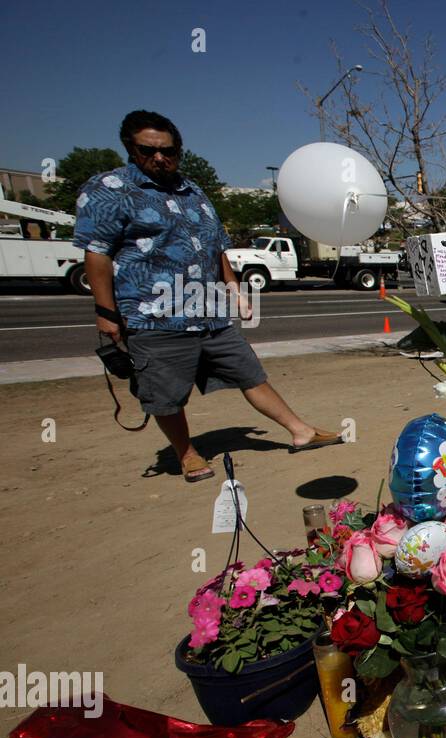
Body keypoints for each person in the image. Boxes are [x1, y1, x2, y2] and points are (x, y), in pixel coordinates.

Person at [75, 110, 340, 482]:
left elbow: (216, 248)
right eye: (147, 150)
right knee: (166, 392)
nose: (159, 158)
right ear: (130, 149)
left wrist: (235, 289)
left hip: (209, 309)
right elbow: (97, 252)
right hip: (154, 313)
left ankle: (301, 431)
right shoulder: (109, 189)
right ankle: (187, 455)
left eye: (167, 151)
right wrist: (105, 311)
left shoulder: (192, 190)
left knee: (250, 373)